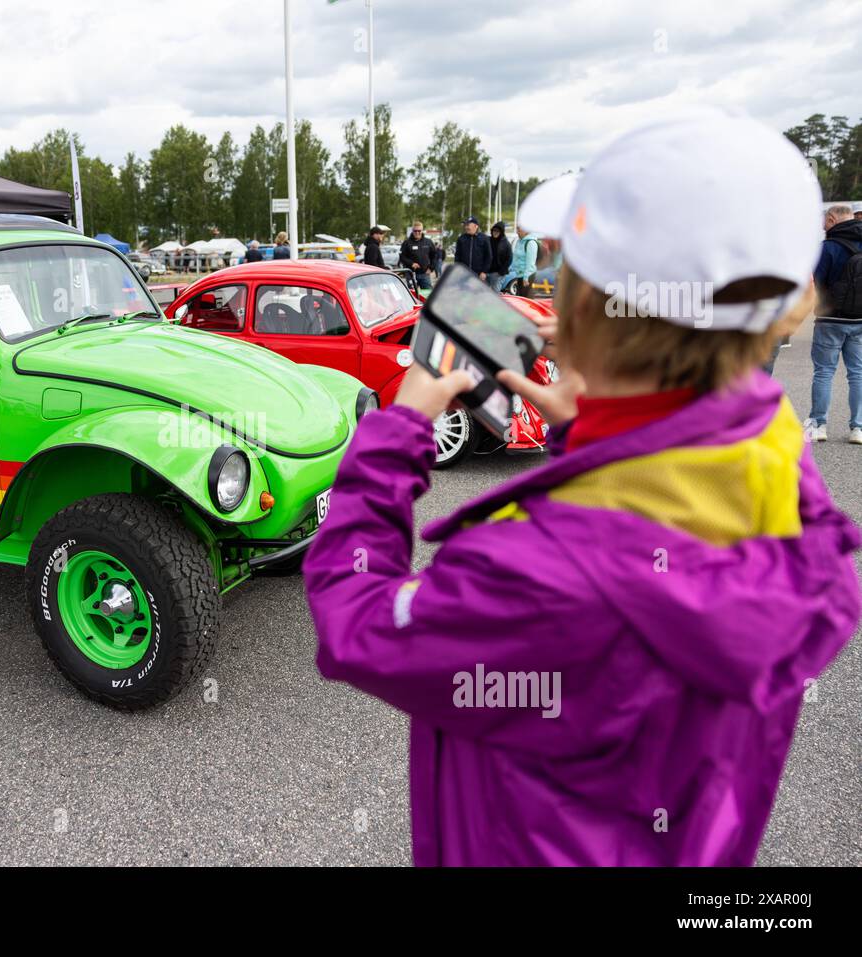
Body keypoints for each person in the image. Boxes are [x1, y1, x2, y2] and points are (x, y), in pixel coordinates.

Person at [303, 112, 859, 866]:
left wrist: (398, 431)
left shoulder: (535, 572)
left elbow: (354, 619)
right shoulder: (771, 445)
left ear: (591, 311)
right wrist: (595, 431)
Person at [804, 204, 862, 444]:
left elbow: (815, 281)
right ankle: (857, 428)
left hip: (829, 319)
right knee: (857, 373)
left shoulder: (828, 247)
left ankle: (818, 425)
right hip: (859, 319)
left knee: (824, 371)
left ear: (831, 219)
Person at [399, 221, 436, 293]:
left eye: (419, 231)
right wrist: (411, 263)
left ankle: (426, 305)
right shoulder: (407, 242)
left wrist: (431, 268)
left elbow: (434, 256)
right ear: (412, 231)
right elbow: (402, 257)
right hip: (411, 274)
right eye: (415, 231)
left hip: (424, 273)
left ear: (422, 231)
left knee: (427, 295)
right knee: (412, 294)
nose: (417, 232)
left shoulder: (428, 242)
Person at [486, 221, 513, 291]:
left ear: (501, 232)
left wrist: (501, 271)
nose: (495, 232)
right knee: (484, 293)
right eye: (494, 230)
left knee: (495, 294)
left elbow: (509, 259)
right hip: (486, 272)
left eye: (498, 231)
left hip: (498, 274)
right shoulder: (488, 240)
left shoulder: (506, 243)